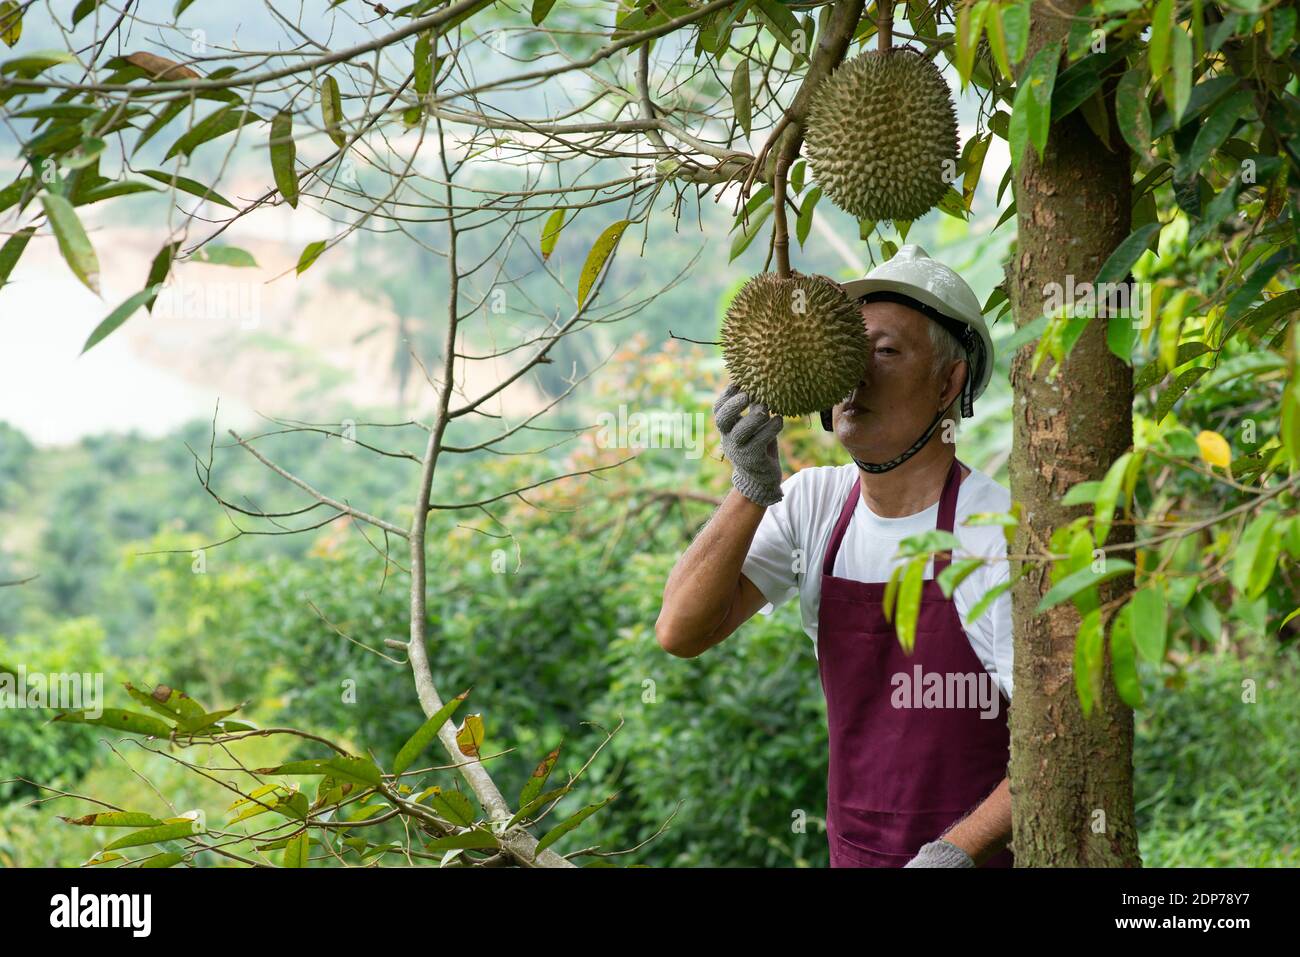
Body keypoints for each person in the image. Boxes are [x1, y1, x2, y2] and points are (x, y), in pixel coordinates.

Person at [656, 245, 1015, 868]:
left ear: (948, 383)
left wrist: (957, 851)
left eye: (884, 351)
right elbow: (681, 631)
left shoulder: (996, 532)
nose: (857, 375)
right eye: (848, 353)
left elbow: (1060, 737)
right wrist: (750, 487)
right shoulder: (811, 502)